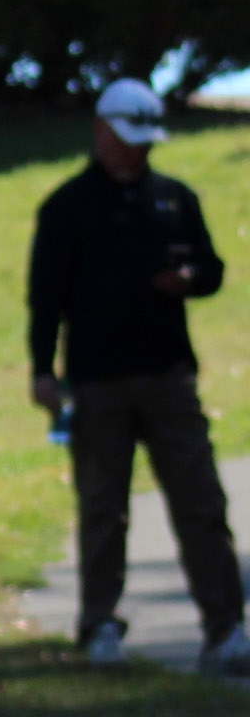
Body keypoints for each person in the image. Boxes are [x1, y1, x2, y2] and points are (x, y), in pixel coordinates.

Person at [26, 76, 250, 677]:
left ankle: (226, 628)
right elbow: (45, 297)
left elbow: (212, 268)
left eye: (145, 140)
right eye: (127, 138)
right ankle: (99, 623)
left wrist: (190, 281)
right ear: (100, 132)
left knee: (200, 500)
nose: (136, 151)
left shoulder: (174, 198)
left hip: (169, 377)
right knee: (104, 507)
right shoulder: (67, 208)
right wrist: (43, 372)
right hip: (97, 383)